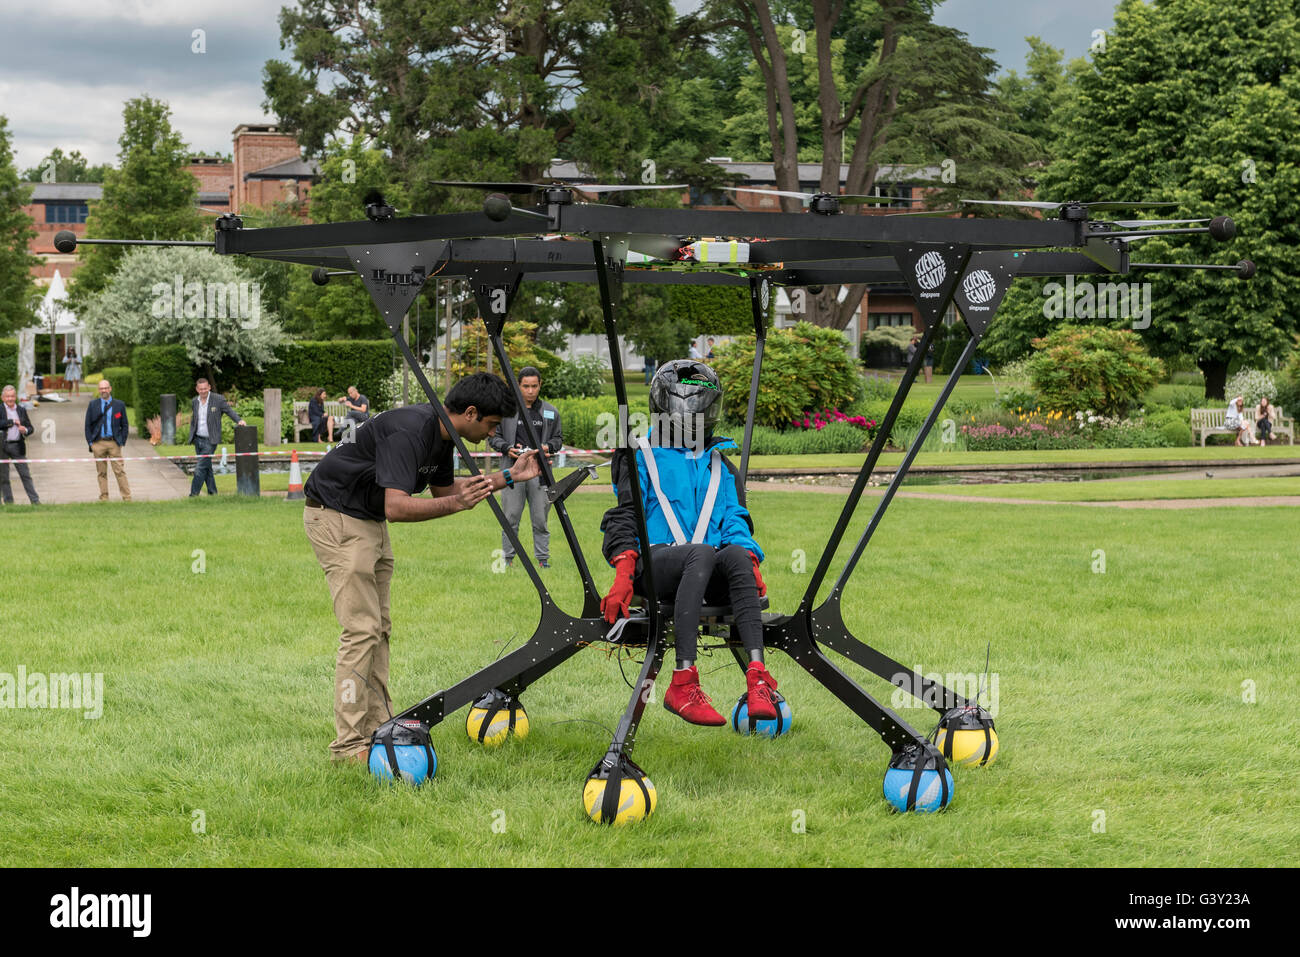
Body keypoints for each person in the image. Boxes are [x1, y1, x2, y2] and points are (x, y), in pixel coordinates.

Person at [302, 372, 541, 763]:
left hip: (367, 520)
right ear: (470, 412)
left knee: (378, 629)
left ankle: (380, 727)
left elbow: (447, 494)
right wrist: (458, 505)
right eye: (492, 425)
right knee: (361, 631)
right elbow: (397, 507)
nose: (492, 433)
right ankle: (347, 747)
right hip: (337, 517)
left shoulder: (443, 437)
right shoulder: (411, 430)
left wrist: (510, 476)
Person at [599, 359, 778, 727]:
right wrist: (623, 573)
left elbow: (734, 521)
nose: (691, 416)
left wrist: (751, 565)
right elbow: (626, 515)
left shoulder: (719, 465)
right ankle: (683, 682)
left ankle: (758, 677)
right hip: (657, 566)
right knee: (703, 552)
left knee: (733, 555)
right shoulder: (638, 456)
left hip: (704, 570)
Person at [487, 366, 563, 568]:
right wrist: (506, 448)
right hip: (513, 472)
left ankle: (543, 560)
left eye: (534, 386)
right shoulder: (506, 411)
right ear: (518, 386)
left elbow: (558, 439)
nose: (530, 391)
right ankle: (508, 560)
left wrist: (549, 447)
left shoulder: (550, 411)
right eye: (526, 386)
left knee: (540, 519)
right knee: (510, 517)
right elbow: (493, 437)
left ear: (540, 386)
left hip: (540, 474)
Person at [186, 378, 246, 497]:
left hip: (210, 440)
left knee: (200, 468)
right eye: (200, 389)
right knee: (207, 468)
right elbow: (195, 419)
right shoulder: (195, 401)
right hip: (198, 439)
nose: (203, 391)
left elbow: (229, 411)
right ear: (197, 389)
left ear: (209, 387)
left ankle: (193, 495)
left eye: (205, 388)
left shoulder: (218, 399)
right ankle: (213, 493)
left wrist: (239, 420)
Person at [83, 379, 131, 502]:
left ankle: (127, 497)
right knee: (101, 473)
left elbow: (125, 424)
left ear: (110, 389)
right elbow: (87, 425)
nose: (103, 390)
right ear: (99, 390)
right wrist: (91, 443)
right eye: (101, 388)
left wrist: (121, 441)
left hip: (114, 443)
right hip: (98, 443)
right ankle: (104, 497)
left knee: (119, 471)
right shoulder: (93, 405)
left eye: (105, 388)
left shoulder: (119, 405)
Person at [0, 385, 39, 505]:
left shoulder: (21, 410)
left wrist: (25, 430)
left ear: (15, 397)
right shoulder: (0, 409)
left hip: (18, 446)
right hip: (2, 447)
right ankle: (9, 503)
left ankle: (35, 501)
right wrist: (11, 422)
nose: (10, 399)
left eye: (12, 396)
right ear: (2, 397)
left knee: (26, 475)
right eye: (7, 396)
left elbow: (31, 428)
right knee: (3, 477)